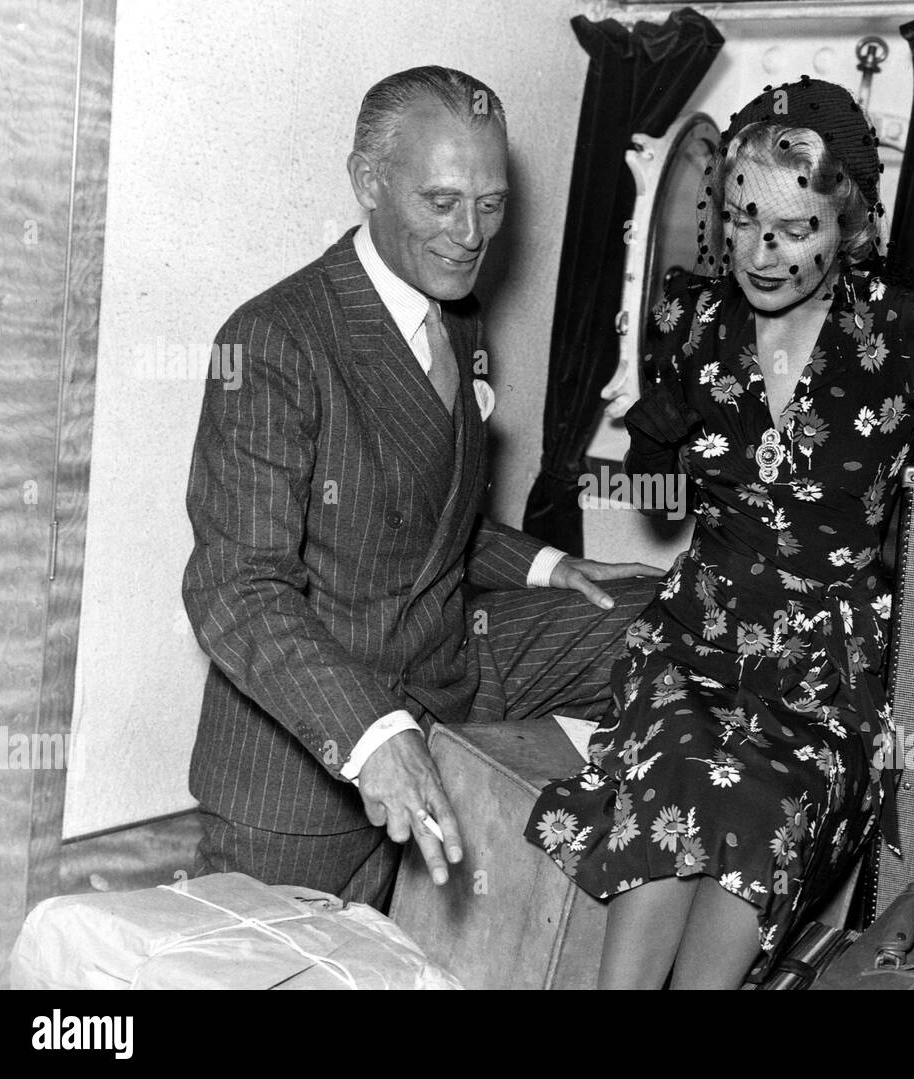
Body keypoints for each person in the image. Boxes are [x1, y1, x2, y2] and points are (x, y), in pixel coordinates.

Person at [524, 77, 914, 989]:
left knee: (758, 816)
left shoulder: (903, 337)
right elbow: (663, 501)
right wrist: (651, 447)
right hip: (698, 635)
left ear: (847, 226)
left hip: (827, 670)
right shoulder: (692, 322)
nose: (761, 253)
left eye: (794, 228)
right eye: (741, 221)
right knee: (676, 780)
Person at [183, 66, 658, 910]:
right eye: (441, 203)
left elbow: (433, 518)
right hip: (307, 764)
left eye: (492, 203)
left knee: (663, 619)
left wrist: (551, 567)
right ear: (367, 183)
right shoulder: (273, 339)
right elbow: (235, 586)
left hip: (447, 672)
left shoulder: (459, 317)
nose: (471, 233)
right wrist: (373, 739)